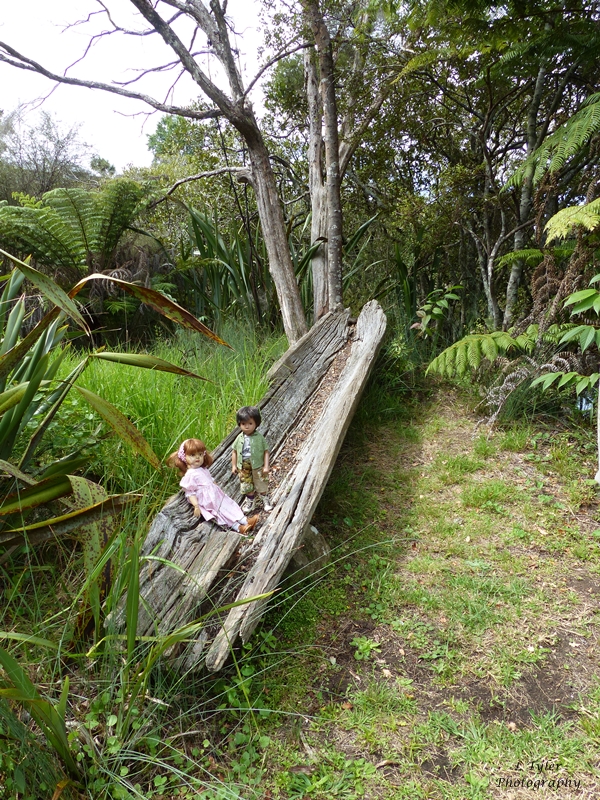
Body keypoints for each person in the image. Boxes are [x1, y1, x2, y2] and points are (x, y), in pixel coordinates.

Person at [167, 438, 259, 536]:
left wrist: (215, 487)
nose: (197, 457)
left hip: (216, 494)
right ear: (184, 457)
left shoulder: (202, 469)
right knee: (221, 512)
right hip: (207, 500)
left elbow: (210, 479)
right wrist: (196, 505)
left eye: (200, 454)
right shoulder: (190, 475)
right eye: (192, 455)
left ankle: (245, 520)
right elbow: (190, 492)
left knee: (229, 505)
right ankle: (238, 527)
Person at [231, 405, 273, 513]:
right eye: (243, 424)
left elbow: (266, 451)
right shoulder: (239, 437)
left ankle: (265, 499)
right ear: (239, 424)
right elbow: (234, 451)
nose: (247, 427)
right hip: (243, 466)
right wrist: (234, 465)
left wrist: (266, 466)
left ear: (256, 423)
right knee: (246, 484)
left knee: (261, 482)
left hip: (257, 465)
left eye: (250, 423)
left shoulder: (259, 438)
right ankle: (250, 502)